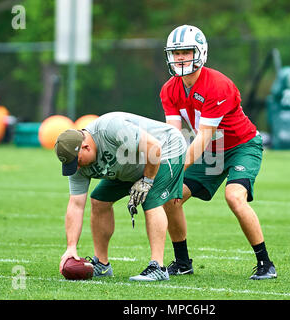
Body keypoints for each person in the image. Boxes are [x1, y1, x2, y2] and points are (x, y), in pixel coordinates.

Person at [160, 25, 277, 280]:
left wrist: (175, 169)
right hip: (211, 151)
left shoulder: (218, 84)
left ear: (201, 52)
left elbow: (202, 137)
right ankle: (182, 262)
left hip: (240, 146)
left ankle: (265, 263)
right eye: (176, 53)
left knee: (234, 197)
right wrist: (162, 171)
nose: (180, 58)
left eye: (186, 52)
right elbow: (174, 136)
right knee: (170, 197)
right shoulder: (169, 89)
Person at [54, 112, 187, 281]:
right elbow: (76, 205)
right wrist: (71, 247)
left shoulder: (111, 128)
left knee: (150, 200)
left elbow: (154, 148)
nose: (77, 168)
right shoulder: (76, 162)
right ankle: (102, 264)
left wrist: (147, 181)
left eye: (78, 161)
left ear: (86, 147)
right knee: (99, 200)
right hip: (131, 165)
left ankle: (158, 267)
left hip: (167, 149)